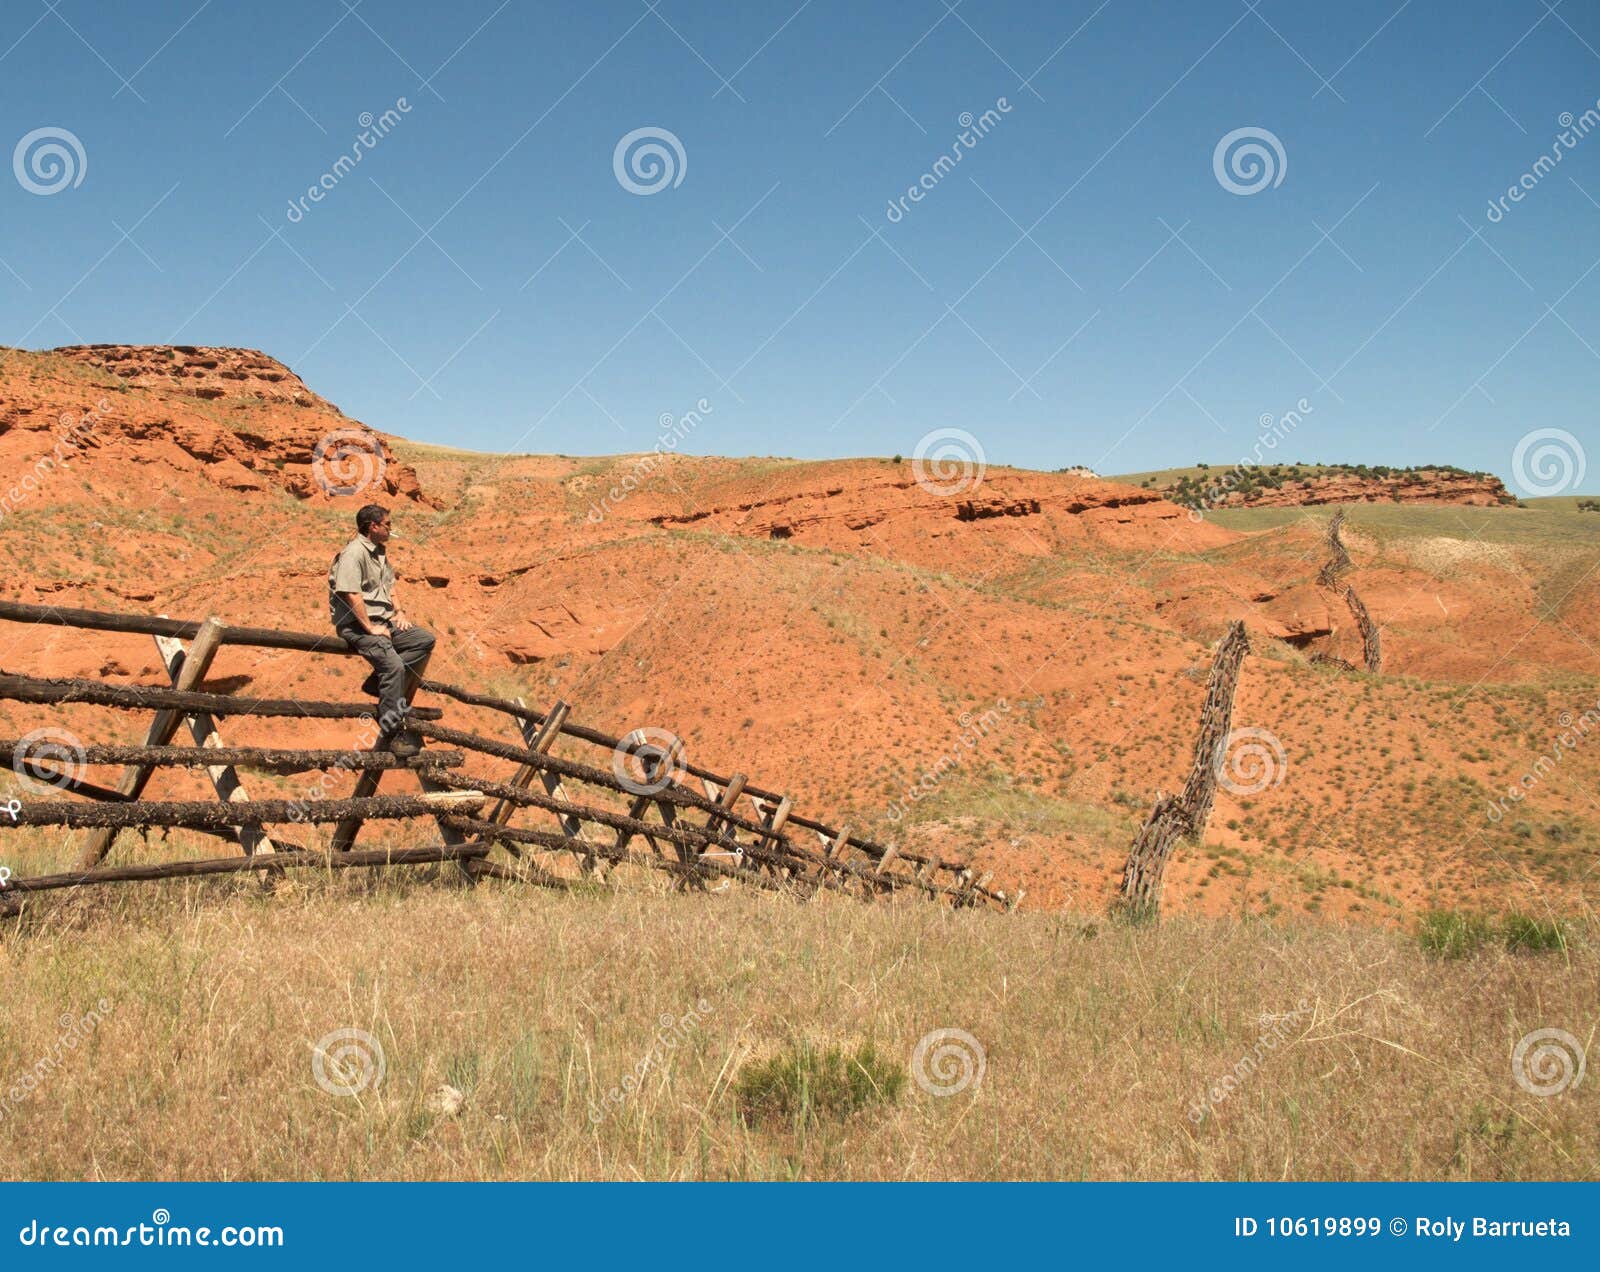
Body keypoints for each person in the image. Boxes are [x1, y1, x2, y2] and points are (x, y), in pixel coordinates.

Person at [328, 504, 435, 757]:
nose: (391, 528)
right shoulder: (353, 553)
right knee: (394, 667)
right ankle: (393, 732)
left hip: (384, 621)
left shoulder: (379, 553)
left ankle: (380, 684)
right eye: (387, 524)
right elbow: (351, 594)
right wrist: (369, 627)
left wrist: (400, 613)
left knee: (423, 640)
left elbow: (390, 587)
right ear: (373, 526)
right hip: (358, 626)